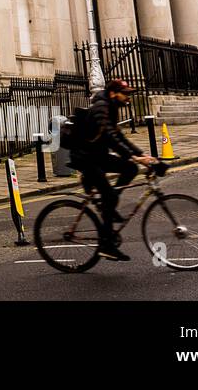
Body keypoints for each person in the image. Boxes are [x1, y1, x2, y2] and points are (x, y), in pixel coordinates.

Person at [69, 78, 158, 262]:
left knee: (130, 168)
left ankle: (107, 205)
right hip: (85, 157)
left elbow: (119, 136)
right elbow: (110, 137)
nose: (128, 98)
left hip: (97, 155)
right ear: (113, 93)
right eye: (125, 94)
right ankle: (106, 246)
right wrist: (135, 156)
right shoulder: (101, 106)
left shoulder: (111, 107)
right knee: (109, 196)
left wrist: (141, 155)